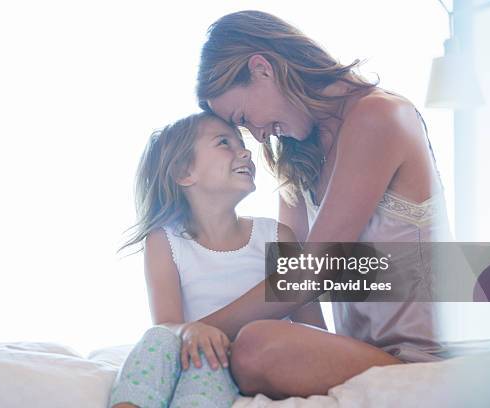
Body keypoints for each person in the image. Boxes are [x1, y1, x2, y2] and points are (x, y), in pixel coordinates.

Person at [195, 10, 453, 398]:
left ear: (263, 69)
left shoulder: (379, 115)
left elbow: (313, 271)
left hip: (416, 359)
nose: (259, 137)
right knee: (246, 347)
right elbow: (294, 276)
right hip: (360, 352)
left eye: (245, 117)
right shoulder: (298, 155)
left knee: (253, 347)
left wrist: (196, 329)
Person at [109, 112, 323, 408]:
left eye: (242, 143)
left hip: (256, 360)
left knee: (208, 362)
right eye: (224, 143)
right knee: (161, 341)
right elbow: (166, 327)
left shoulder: (276, 236)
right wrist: (190, 330)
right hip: (197, 351)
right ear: (185, 172)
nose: (246, 152)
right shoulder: (164, 241)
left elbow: (315, 332)